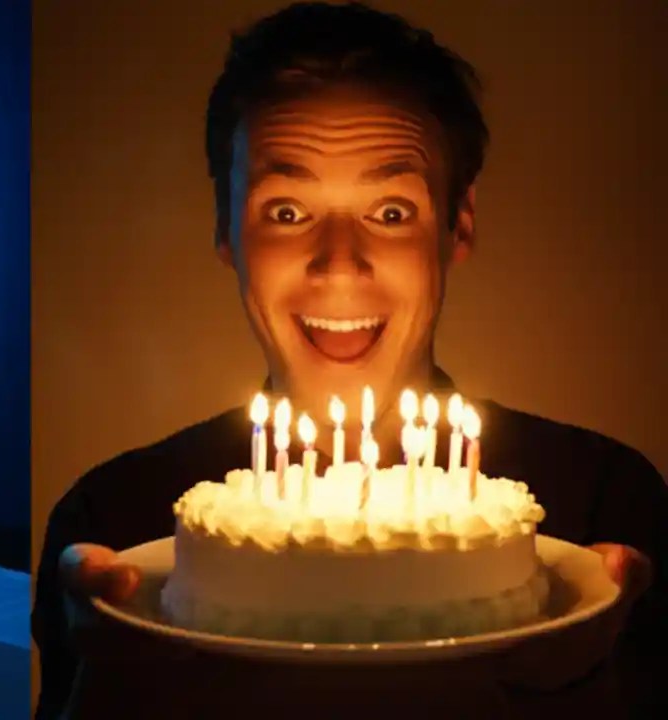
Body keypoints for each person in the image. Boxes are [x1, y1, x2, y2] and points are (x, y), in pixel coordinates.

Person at [33, 3, 666, 718]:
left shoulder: (601, 507)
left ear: (457, 226)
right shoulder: (117, 527)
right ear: (225, 229)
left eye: (390, 212)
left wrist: (583, 685)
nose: (340, 265)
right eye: (287, 212)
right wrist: (113, 686)